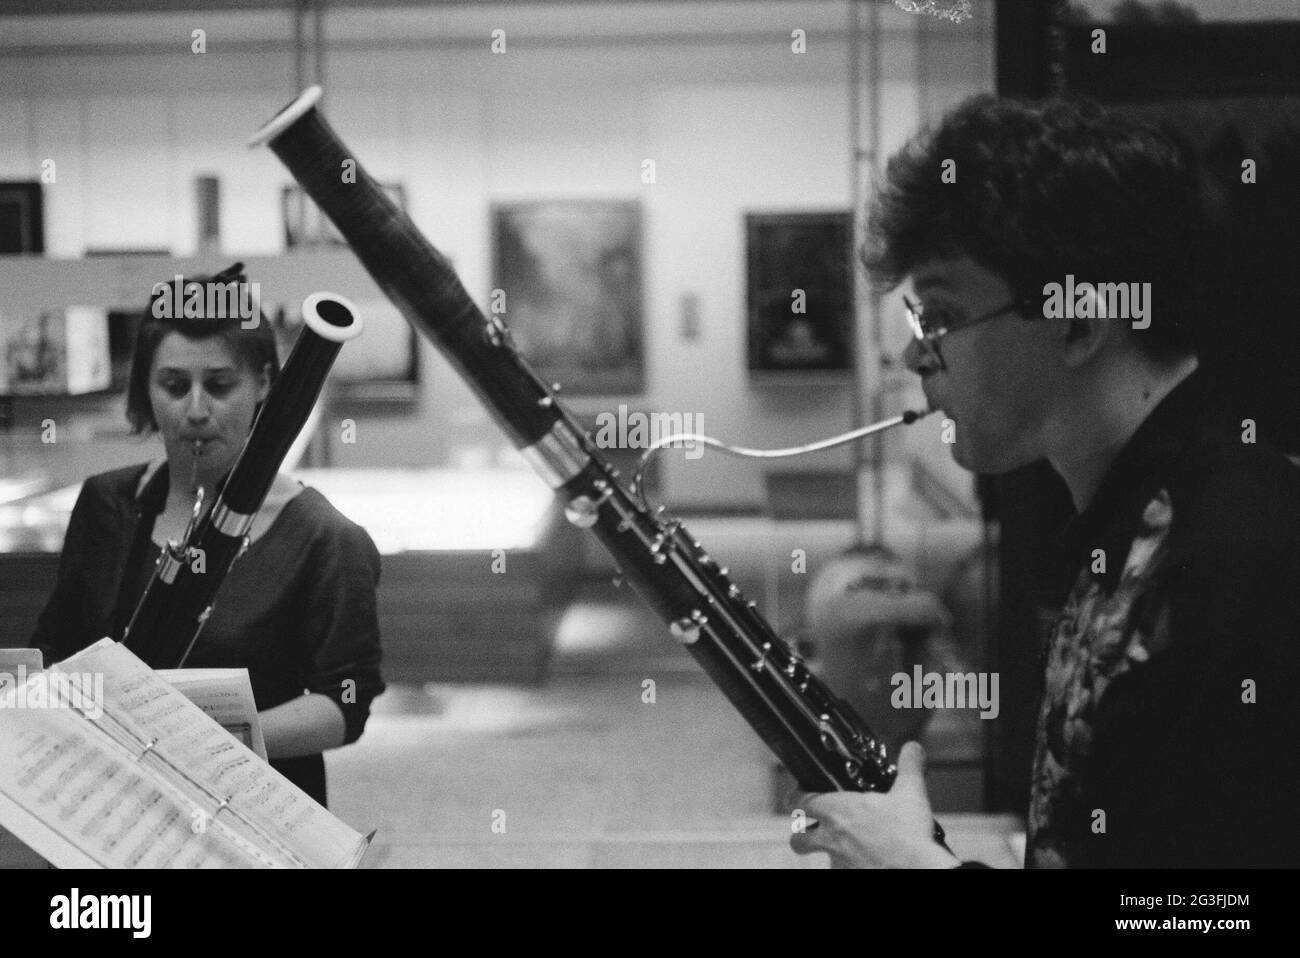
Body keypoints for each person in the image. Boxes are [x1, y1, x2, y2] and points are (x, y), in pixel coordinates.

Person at [790, 95, 1300, 868]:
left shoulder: (1238, 558)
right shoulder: (1129, 520)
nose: (915, 359)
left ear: (1081, 322)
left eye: (940, 316)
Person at [30, 263, 385, 808]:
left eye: (220, 386)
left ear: (265, 382)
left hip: (256, 808)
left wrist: (209, 741)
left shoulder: (325, 537)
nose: (196, 411)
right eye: (173, 386)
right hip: (114, 801)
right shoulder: (107, 504)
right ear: (146, 387)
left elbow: (344, 704)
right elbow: (58, 646)